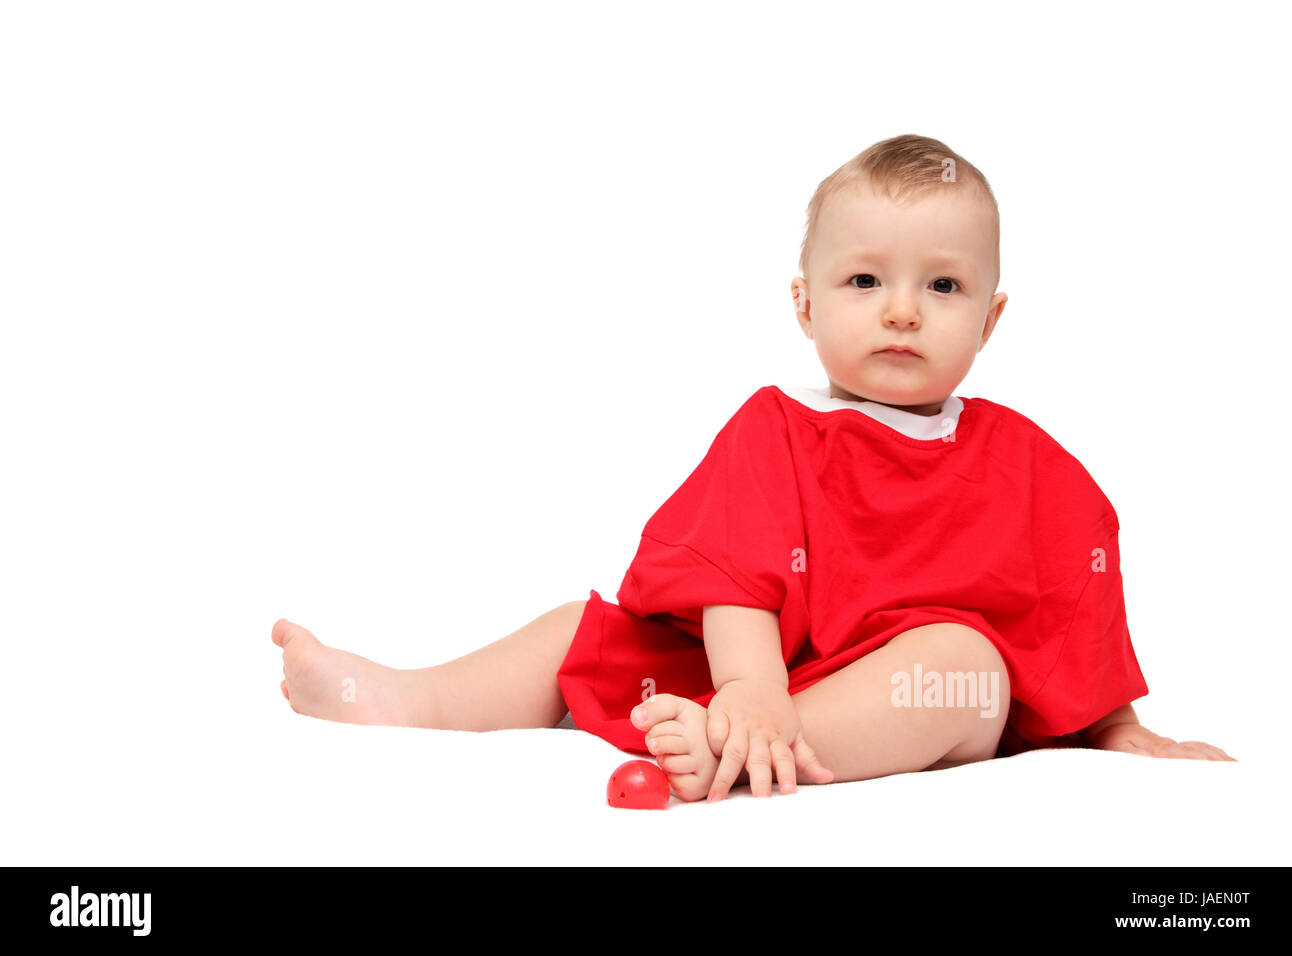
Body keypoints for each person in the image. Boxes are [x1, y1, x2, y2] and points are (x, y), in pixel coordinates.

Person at [271, 134, 1234, 805]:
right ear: (806, 306)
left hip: (888, 699)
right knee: (582, 630)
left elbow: (1074, 601)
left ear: (990, 318)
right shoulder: (778, 428)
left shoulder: (1027, 463)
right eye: (865, 281)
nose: (902, 311)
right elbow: (729, 578)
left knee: (968, 670)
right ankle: (409, 699)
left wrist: (1118, 729)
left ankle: (752, 754)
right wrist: (751, 690)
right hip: (752, 673)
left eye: (942, 286)